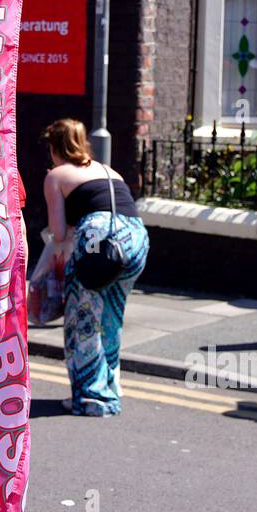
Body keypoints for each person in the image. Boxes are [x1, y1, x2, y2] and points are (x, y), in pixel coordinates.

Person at [42, 117, 148, 416]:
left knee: (83, 322)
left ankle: (93, 398)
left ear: (54, 147)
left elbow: (59, 234)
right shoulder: (108, 170)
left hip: (96, 243)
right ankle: (111, 387)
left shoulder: (57, 175)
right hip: (135, 241)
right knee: (111, 318)